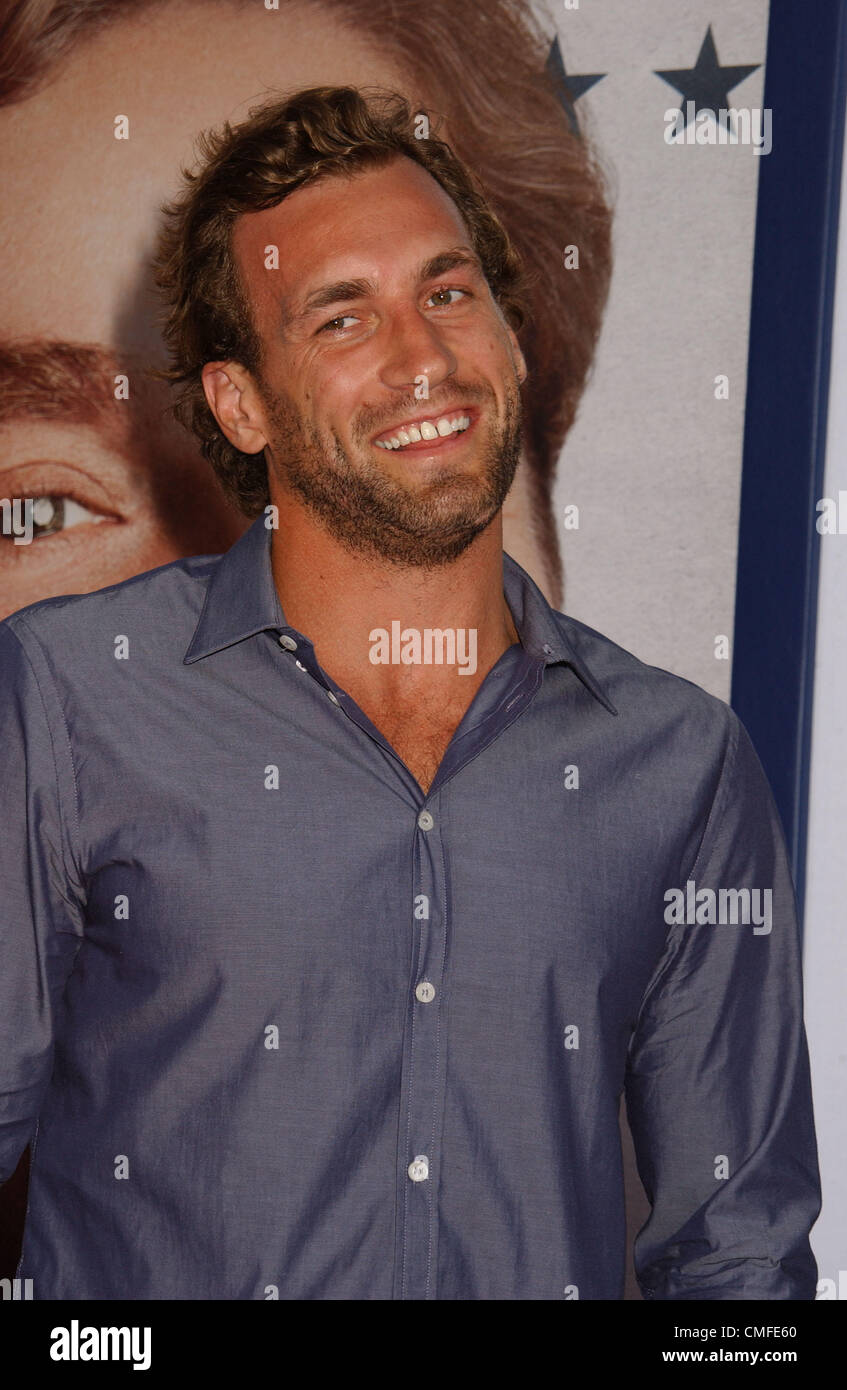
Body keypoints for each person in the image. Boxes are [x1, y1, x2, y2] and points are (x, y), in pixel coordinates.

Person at [0, 85, 819, 1300]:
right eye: (342, 320)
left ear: (510, 333)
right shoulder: (71, 699)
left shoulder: (677, 761)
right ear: (242, 401)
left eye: (447, 293)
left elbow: (741, 1254)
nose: (423, 358)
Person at [0, 0, 612, 621]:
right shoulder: (51, 684)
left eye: (444, 297)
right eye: (47, 507)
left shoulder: (674, 721)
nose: (425, 361)